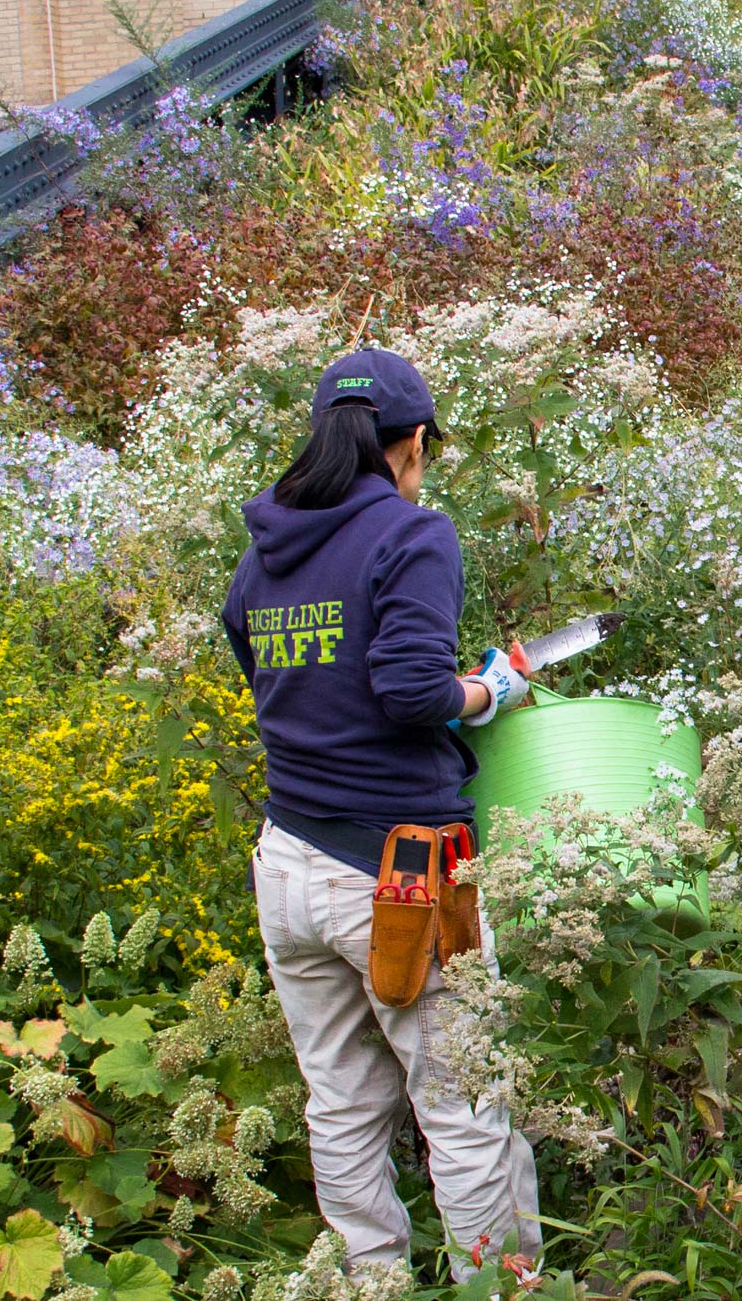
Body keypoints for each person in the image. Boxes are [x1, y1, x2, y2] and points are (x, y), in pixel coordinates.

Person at [220, 347, 539, 1282]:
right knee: (465, 1101)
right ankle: (502, 1286)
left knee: (341, 1101)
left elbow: (262, 663)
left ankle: (374, 1281)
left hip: (288, 861)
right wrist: (488, 691)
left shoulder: (265, 550)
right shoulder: (412, 534)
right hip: (399, 873)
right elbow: (407, 690)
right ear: (408, 444)